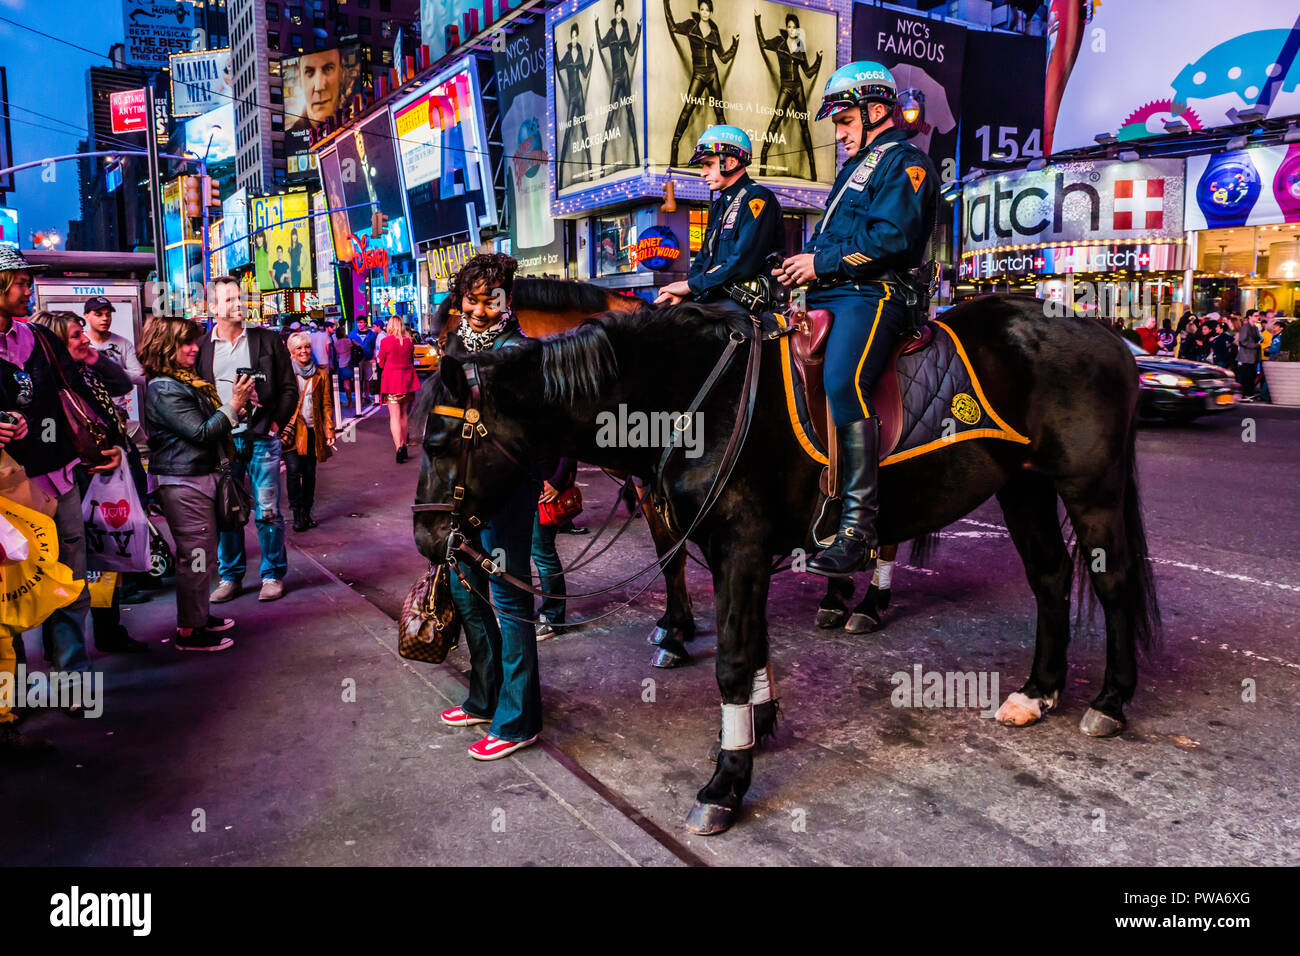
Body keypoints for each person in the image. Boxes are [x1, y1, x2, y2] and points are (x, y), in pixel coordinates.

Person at [774, 62, 938, 578]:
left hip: (875, 294)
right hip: (833, 292)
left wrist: (819, 262)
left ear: (876, 110)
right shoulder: (857, 165)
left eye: (844, 121)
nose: (838, 133)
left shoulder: (906, 162)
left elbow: (891, 239)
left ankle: (858, 529)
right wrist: (801, 265)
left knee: (844, 381)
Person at [0, 250, 122, 710]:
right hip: (7, 491)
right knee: (9, 594)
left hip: (60, 477)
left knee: (70, 584)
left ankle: (72, 682)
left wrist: (105, 442)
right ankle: (12, 699)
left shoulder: (38, 338)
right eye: (20, 282)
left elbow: (82, 389)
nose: (28, 290)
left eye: (29, 282)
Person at [438, 253, 541, 760]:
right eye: (471, 300)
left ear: (507, 301)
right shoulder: (453, 344)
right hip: (461, 490)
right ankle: (485, 695)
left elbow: (539, 429)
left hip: (507, 491)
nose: (479, 310)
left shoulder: (521, 349)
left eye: (490, 300)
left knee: (510, 599)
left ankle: (519, 719)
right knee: (466, 589)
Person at [30, 311, 146, 654]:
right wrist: (87, 459)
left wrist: (93, 357)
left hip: (109, 470)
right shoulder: (51, 382)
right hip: (77, 477)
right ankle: (61, 647)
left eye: (84, 333)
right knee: (72, 565)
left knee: (105, 557)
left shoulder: (84, 371)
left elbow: (123, 385)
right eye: (76, 336)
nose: (85, 340)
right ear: (56, 345)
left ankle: (109, 630)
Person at [140, 315, 252, 652]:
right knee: (197, 555)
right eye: (185, 343)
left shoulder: (184, 381)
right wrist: (234, 404)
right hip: (183, 481)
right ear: (165, 348)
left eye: (194, 342)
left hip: (197, 476)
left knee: (203, 553)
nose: (193, 349)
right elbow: (201, 432)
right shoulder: (164, 387)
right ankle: (190, 631)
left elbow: (208, 424)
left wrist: (237, 409)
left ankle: (198, 616)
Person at [200, 275, 297, 605]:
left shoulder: (266, 340)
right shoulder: (202, 347)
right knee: (227, 511)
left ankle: (272, 574)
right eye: (228, 300)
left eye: (239, 297)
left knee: (267, 510)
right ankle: (230, 576)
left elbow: (288, 388)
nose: (237, 304)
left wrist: (275, 425)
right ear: (213, 307)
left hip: (260, 440)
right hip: (222, 443)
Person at [655, 126, 784, 308]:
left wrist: (690, 286)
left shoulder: (757, 197)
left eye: (708, 164)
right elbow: (704, 257)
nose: (702, 173)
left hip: (750, 302)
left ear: (730, 162)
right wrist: (687, 294)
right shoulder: (720, 204)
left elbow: (743, 261)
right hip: (717, 298)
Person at [665, 0, 740, 168]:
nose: (705, 12)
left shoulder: (714, 30)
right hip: (698, 73)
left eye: (708, 10)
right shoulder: (691, 26)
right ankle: (674, 152)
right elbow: (673, 27)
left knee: (720, 115)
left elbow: (722, 57)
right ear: (699, 11)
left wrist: (735, 44)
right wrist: (666, 3)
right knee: (687, 111)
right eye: (702, 9)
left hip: (712, 74)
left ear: (711, 12)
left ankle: (727, 160)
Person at [754, 10, 824, 178]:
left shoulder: (800, 47)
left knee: (804, 127)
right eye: (789, 27)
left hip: (798, 87)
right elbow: (763, 43)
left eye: (794, 28)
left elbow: (807, 72)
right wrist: (757, 19)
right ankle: (762, 163)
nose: (792, 30)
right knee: (775, 122)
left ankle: (813, 171)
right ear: (786, 28)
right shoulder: (779, 43)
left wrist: (819, 59)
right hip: (785, 87)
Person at [283, 331, 335, 532]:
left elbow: (326, 404)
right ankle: (296, 513)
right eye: (299, 348)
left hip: (313, 432)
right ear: (292, 352)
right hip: (293, 433)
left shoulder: (320, 374)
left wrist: (329, 430)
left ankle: (306, 511)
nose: (304, 351)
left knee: (310, 473)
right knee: (294, 472)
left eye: (306, 347)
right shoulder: (286, 375)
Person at [533, 456, 576, 641]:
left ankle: (553, 618)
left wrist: (557, 482)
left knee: (543, 552)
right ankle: (523, 610)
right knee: (521, 551)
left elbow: (570, 448)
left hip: (544, 488)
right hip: (523, 488)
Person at [595, 0, 642, 167]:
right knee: (611, 112)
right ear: (615, 14)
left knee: (630, 113)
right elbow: (601, 44)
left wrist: (638, 31)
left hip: (625, 74)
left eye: (621, 11)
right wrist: (595, 24)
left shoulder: (626, 30)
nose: (619, 14)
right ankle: (601, 159)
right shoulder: (611, 32)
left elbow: (631, 50)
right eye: (617, 12)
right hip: (615, 76)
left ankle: (637, 158)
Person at [377, 315, 420, 463]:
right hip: (407, 381)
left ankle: (398, 447)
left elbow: (381, 362)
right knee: (403, 416)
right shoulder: (409, 341)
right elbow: (410, 359)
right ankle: (404, 443)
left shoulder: (385, 341)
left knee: (394, 417)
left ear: (390, 326)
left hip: (391, 382)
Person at [555, 21, 594, 183]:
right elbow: (559, 65)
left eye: (576, 37)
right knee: (568, 133)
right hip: (572, 97)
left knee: (584, 130)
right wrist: (555, 49)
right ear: (570, 38)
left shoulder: (579, 53)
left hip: (580, 96)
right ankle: (560, 172)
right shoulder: (568, 54)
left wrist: (591, 54)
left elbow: (585, 72)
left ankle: (591, 170)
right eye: (572, 37)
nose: (574, 39)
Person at [288, 46, 349, 132]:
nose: (319, 87)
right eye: (309, 71)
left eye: (328, 69)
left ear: (341, 72)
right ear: (300, 78)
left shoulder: (356, 126)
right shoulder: (292, 139)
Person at [349, 315, 377, 403]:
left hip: (368, 359)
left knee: (368, 379)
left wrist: (373, 357)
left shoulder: (371, 334)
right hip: (357, 360)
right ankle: (359, 396)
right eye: (358, 323)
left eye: (361, 322)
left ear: (365, 323)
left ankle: (367, 396)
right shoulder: (353, 333)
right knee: (358, 379)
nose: (359, 324)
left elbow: (374, 347)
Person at [1236, 311, 1262, 399]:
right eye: (1255, 316)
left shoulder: (1254, 327)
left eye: (1258, 316)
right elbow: (1242, 341)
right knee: (1246, 376)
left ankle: (1249, 393)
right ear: (1250, 316)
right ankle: (1246, 394)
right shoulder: (1246, 327)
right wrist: (1255, 345)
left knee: (1251, 376)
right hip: (1246, 356)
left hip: (1252, 356)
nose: (1257, 317)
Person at [334, 325, 356, 405]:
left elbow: (336, 355)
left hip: (342, 364)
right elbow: (359, 347)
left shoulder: (336, 343)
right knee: (356, 382)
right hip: (351, 363)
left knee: (346, 385)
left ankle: (350, 402)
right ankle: (359, 400)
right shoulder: (349, 341)